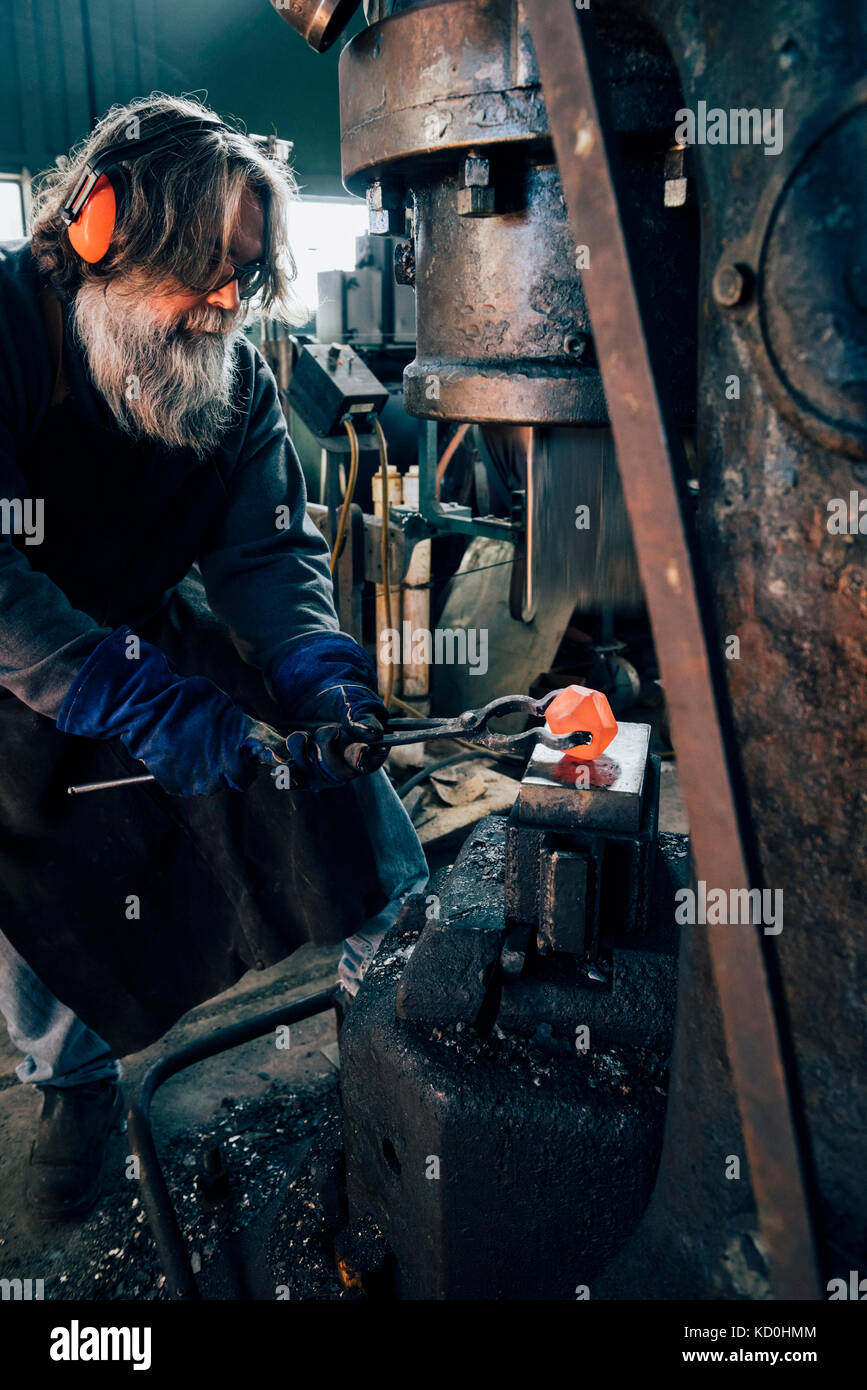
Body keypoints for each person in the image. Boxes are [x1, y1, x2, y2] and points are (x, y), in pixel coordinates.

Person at [0, 92, 428, 1220]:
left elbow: (268, 555)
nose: (230, 299)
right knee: (40, 854)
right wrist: (112, 691)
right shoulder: (3, 329)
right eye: (207, 266)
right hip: (16, 649)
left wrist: (319, 671)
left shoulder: (235, 379)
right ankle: (70, 1087)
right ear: (102, 228)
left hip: (145, 620)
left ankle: (395, 1011)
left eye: (248, 271)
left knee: (344, 783)